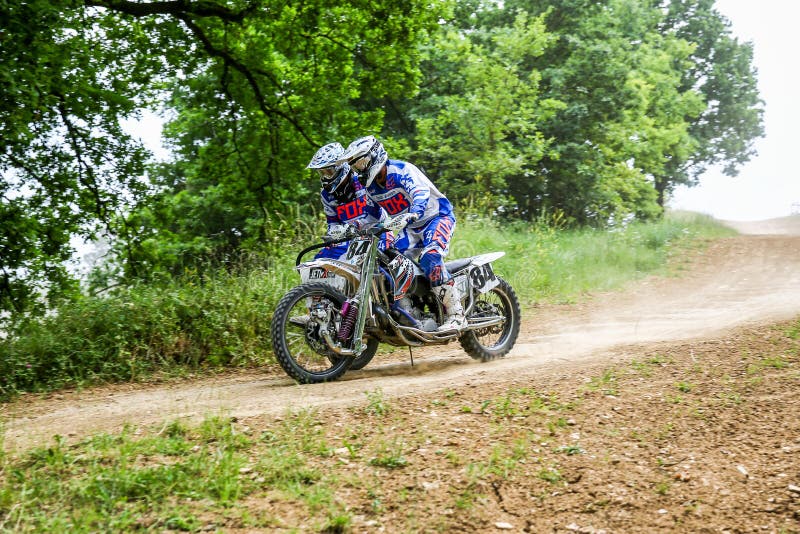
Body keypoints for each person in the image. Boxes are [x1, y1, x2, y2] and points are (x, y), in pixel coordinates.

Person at [339, 135, 466, 331]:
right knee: (390, 261)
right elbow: (371, 216)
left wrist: (414, 211)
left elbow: (420, 193)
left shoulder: (401, 170)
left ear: (374, 156)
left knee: (430, 257)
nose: (359, 169)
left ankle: (457, 315)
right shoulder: (370, 188)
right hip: (412, 228)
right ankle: (414, 307)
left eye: (362, 163)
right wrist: (352, 228)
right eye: (355, 166)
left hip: (437, 217)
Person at [306, 142, 391, 260]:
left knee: (384, 261)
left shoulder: (364, 182)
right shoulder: (327, 195)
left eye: (328, 172)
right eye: (322, 173)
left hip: (378, 232)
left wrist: (355, 226)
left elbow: (378, 212)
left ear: (341, 167)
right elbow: (333, 223)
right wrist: (334, 235)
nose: (325, 178)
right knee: (319, 261)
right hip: (349, 240)